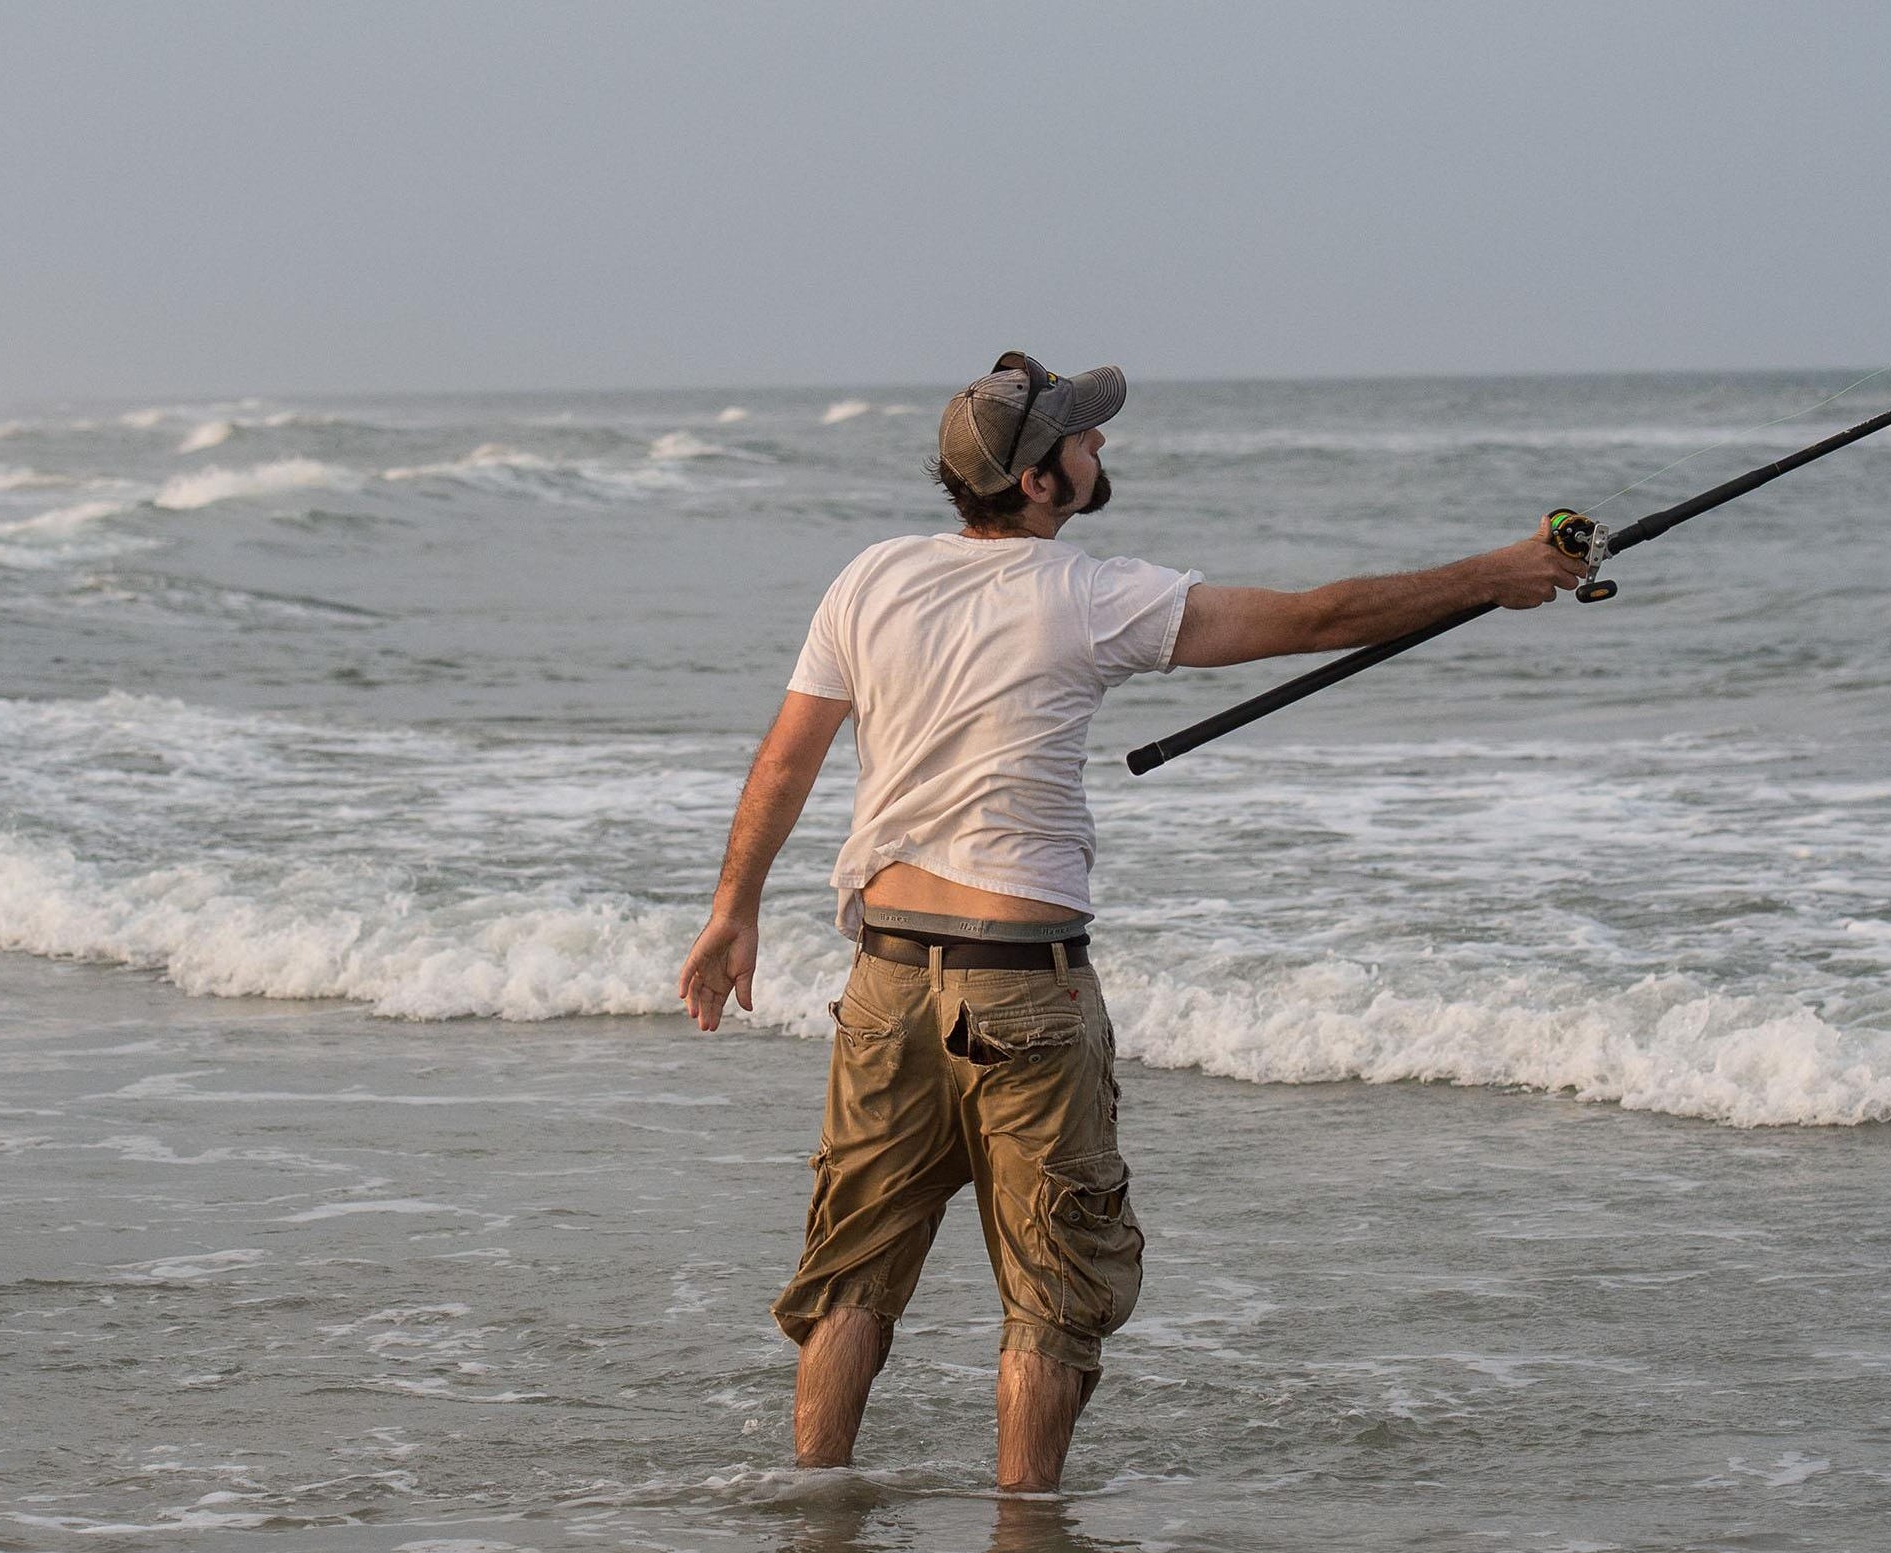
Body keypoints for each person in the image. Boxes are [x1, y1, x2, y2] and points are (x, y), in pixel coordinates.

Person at [676, 351, 1586, 1493]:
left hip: (886, 978)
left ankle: (814, 1502)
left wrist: (732, 910)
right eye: (1083, 440)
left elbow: (786, 756)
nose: (1100, 449)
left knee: (852, 1268)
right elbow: (1321, 617)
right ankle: (1024, 1520)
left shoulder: (869, 578)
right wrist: (1498, 573)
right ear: (1038, 482)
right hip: (1024, 986)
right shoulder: (1090, 595)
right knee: (1054, 1291)